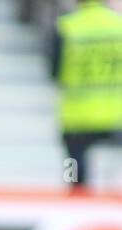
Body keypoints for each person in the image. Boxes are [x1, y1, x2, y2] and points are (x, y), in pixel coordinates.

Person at [49, 0, 122, 189]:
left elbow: (54, 72)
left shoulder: (66, 27)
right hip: (116, 114)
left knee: (71, 167)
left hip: (76, 117)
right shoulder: (118, 26)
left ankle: (71, 194)